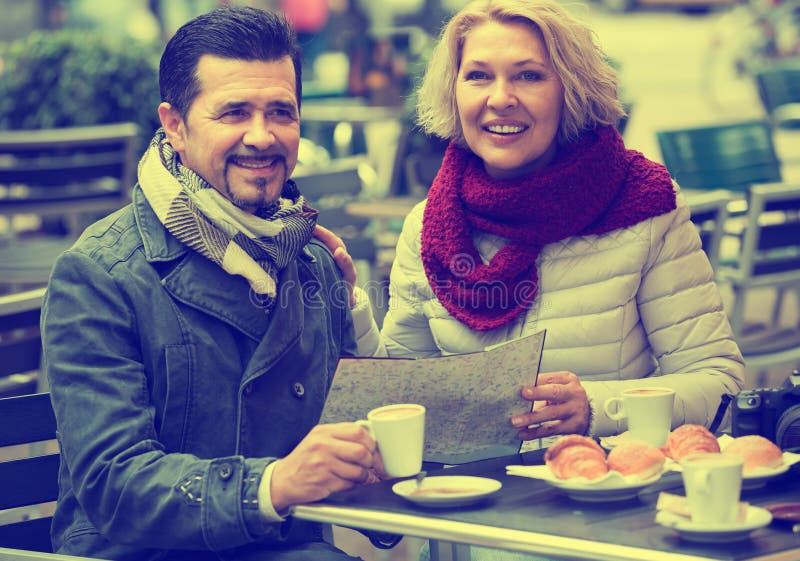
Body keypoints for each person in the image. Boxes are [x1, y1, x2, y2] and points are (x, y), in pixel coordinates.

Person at [42, 7, 382, 561]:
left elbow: (359, 441)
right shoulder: (98, 273)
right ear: (174, 125)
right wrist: (272, 485)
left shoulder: (313, 260)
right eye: (233, 113)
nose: (262, 135)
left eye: (281, 112)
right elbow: (114, 484)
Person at [349, 0, 744, 469]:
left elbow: (717, 382)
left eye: (528, 75)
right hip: (466, 512)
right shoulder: (428, 224)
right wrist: (349, 306)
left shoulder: (643, 205)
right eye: (477, 76)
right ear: (453, 92)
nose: (500, 98)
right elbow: (404, 393)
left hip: (604, 505)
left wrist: (597, 408)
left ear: (570, 91)